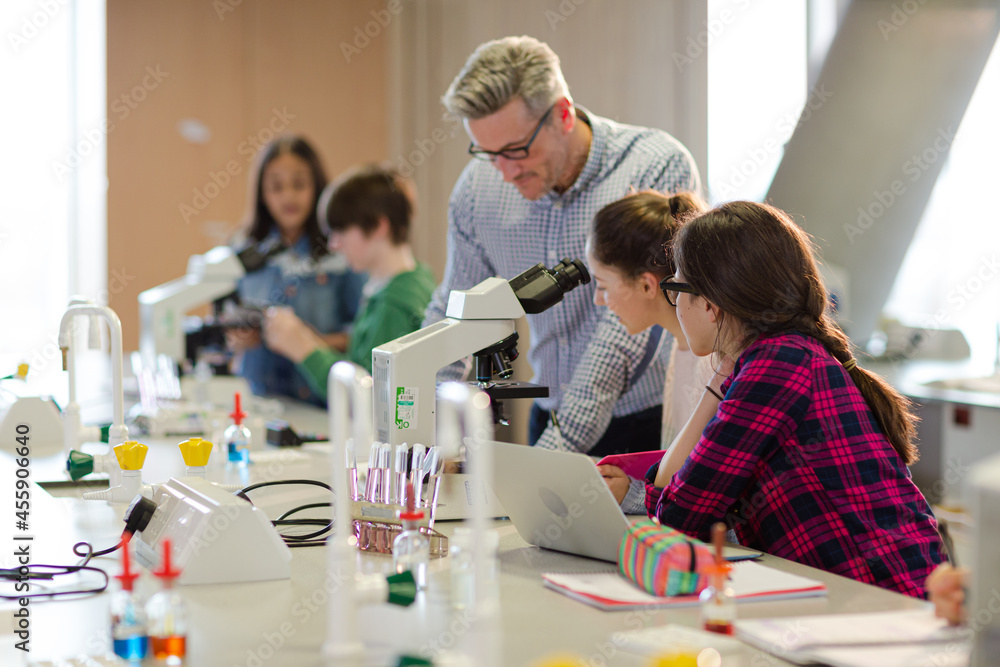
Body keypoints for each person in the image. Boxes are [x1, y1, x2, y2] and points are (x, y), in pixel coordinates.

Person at [645, 200, 945, 597]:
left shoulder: (776, 365)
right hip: (867, 598)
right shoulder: (782, 355)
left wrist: (718, 381)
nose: (677, 305)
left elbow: (678, 517)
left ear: (709, 304)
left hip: (884, 608)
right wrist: (722, 373)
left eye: (676, 289)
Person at [427, 36, 701, 456]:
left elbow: (620, 341)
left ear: (563, 115)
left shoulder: (653, 164)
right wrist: (427, 436)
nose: (504, 172)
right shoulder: (477, 190)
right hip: (549, 414)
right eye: (488, 153)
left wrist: (552, 456)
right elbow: (455, 312)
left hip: (644, 420)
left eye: (517, 150)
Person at [581, 190, 718, 514]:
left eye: (602, 285)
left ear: (646, 285)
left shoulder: (716, 364)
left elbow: (706, 500)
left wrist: (631, 494)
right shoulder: (678, 346)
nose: (599, 300)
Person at [263, 164, 435, 401]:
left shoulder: (394, 303)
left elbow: (369, 399)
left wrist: (305, 350)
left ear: (378, 226)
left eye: (340, 231)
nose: (334, 244)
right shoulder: (403, 282)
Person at [229, 135, 365, 406]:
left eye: (299, 184)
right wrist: (239, 338)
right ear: (262, 193)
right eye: (276, 187)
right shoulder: (242, 251)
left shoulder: (341, 251)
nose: (288, 196)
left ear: (316, 186)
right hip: (259, 398)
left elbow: (363, 334)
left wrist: (304, 341)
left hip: (318, 401)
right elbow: (226, 329)